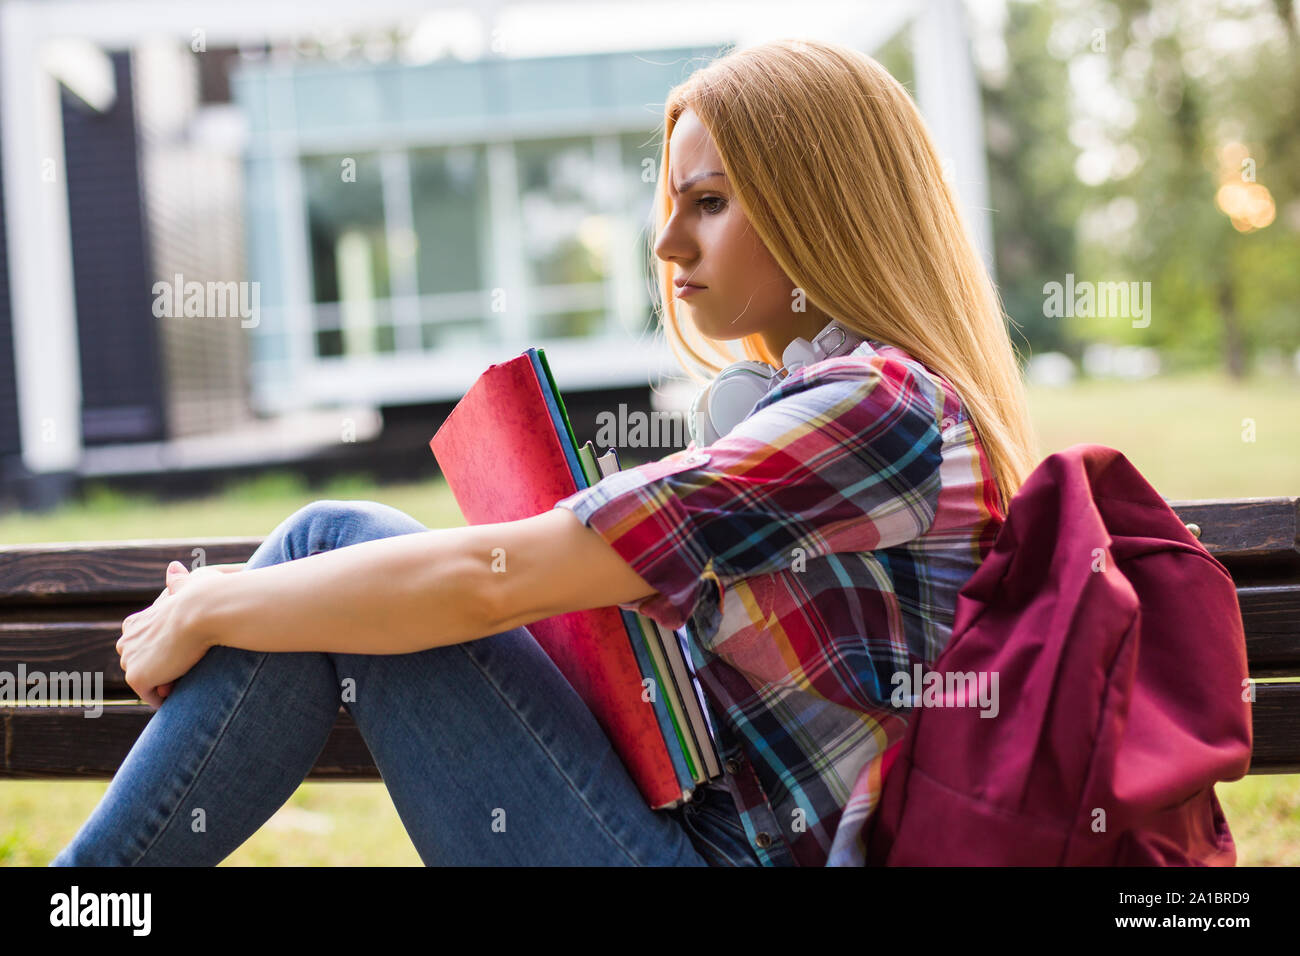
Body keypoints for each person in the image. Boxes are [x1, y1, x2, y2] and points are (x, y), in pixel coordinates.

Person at [51, 37, 1038, 867]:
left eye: (708, 202)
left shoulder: (879, 410)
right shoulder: (829, 407)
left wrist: (208, 601)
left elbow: (494, 580)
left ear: (821, 209)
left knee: (326, 542)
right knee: (332, 560)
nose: (665, 242)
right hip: (684, 828)